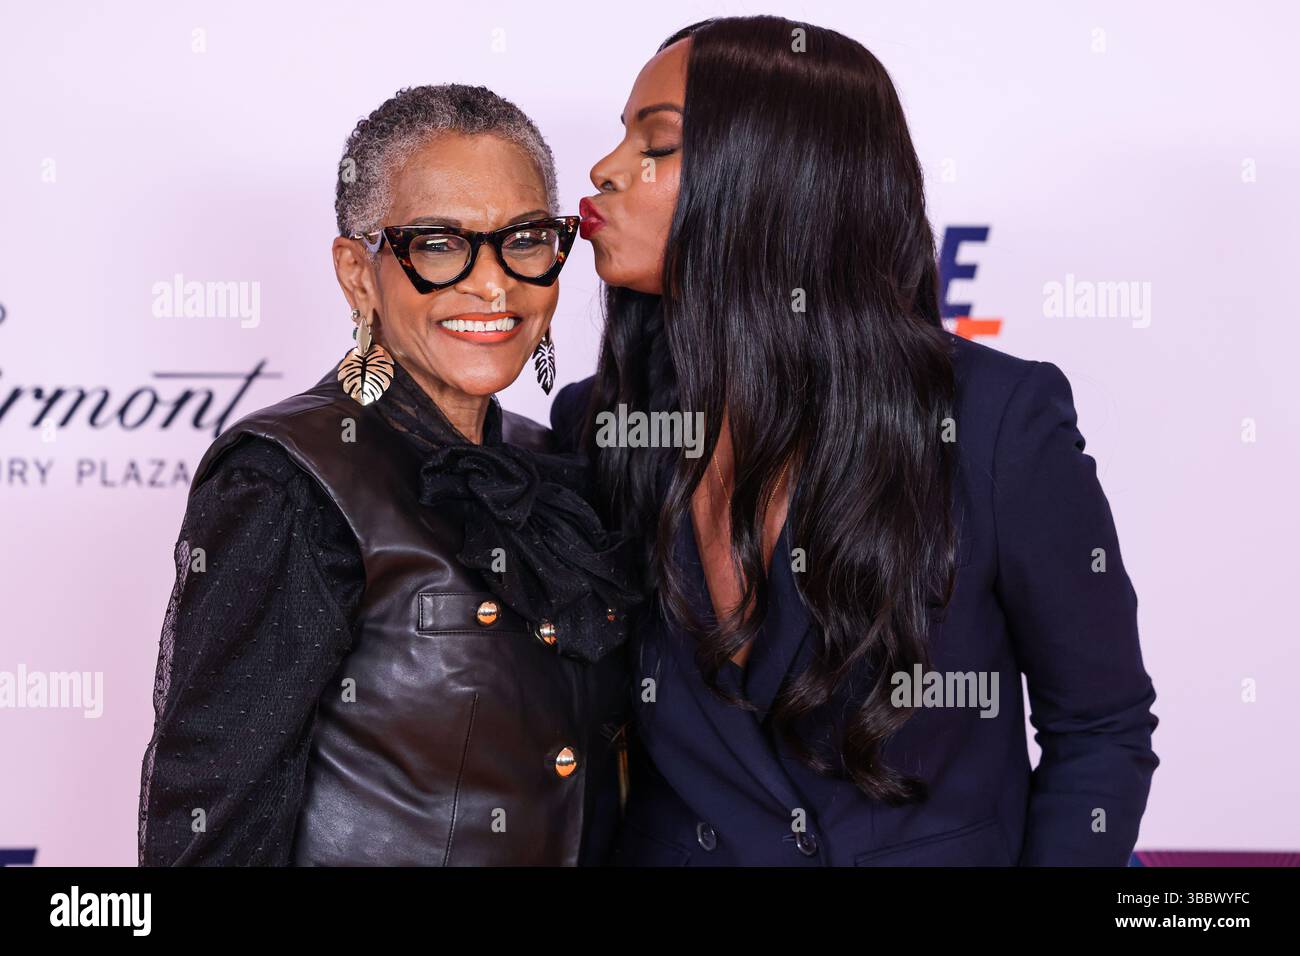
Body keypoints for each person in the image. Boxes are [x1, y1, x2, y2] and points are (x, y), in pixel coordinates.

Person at [553, 16, 1160, 866]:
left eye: (657, 143)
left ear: (775, 179)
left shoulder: (995, 421)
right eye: (622, 135)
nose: (605, 169)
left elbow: (1100, 728)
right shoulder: (593, 426)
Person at [139, 83, 637, 866]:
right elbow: (214, 822)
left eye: (527, 238)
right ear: (358, 273)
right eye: (438, 244)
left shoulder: (560, 469)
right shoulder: (290, 477)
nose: (494, 284)